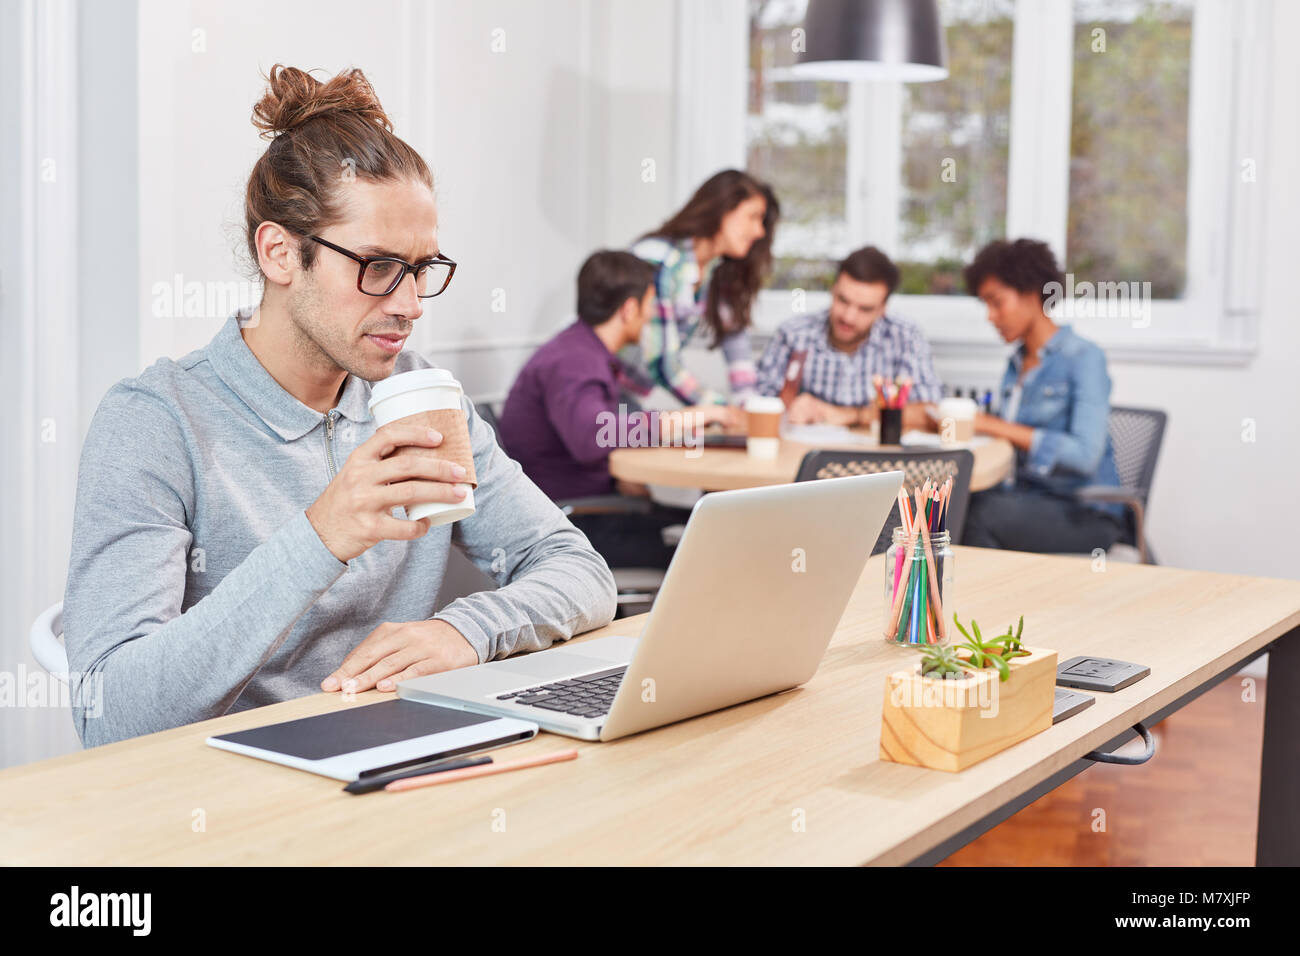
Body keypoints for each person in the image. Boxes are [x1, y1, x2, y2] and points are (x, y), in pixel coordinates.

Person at [62, 65, 616, 748]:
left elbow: (578, 569)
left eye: (421, 269)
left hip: (399, 755)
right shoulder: (156, 422)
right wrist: (321, 534)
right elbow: (110, 713)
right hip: (227, 796)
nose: (410, 306)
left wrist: (462, 630)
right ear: (279, 253)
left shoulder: (418, 395)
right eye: (378, 266)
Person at [499, 251, 729, 569]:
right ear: (629, 309)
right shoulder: (575, 361)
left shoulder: (580, 350)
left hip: (585, 508)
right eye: (649, 304)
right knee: (718, 545)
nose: (650, 316)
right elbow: (592, 433)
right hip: (573, 523)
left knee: (711, 524)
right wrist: (693, 416)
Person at [959, 238, 1126, 553]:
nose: (990, 316)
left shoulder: (1084, 358)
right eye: (985, 305)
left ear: (1031, 293)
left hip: (1084, 512)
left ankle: (986, 600)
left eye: (996, 302)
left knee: (978, 515)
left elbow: (1085, 455)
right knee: (955, 503)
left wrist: (991, 425)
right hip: (1028, 499)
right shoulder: (1017, 363)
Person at [630, 169, 779, 415]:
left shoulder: (712, 270)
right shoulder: (660, 260)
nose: (759, 231)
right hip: (592, 386)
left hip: (625, 395)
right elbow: (662, 362)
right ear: (722, 210)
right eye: (753, 217)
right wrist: (722, 411)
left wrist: (749, 405)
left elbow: (735, 340)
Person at [755, 245, 942, 428]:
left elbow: (930, 411)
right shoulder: (793, 334)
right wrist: (789, 409)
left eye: (865, 309)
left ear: (883, 308)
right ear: (832, 290)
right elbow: (755, 406)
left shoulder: (905, 338)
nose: (848, 317)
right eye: (843, 300)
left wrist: (852, 416)